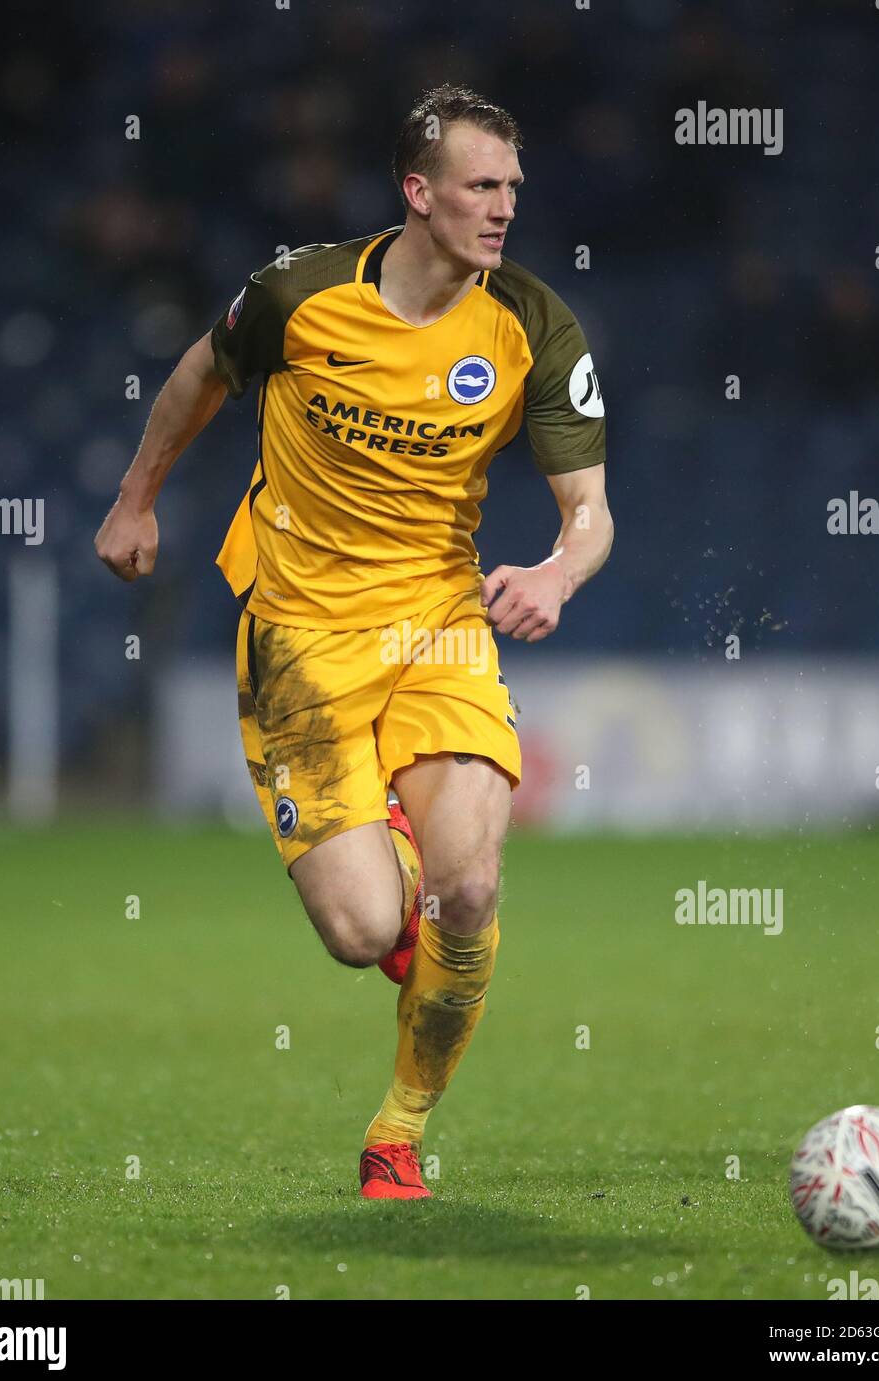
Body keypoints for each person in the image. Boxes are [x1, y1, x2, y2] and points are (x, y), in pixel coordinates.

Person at [95, 83, 614, 1199]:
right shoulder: (300, 293)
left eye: (514, 187)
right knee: (365, 926)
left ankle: (396, 1134)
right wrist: (135, 499)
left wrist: (559, 571)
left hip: (441, 627)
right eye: (483, 185)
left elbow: (591, 511)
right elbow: (198, 374)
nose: (504, 206)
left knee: (465, 895)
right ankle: (382, 836)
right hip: (300, 635)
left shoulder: (531, 324)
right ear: (418, 192)